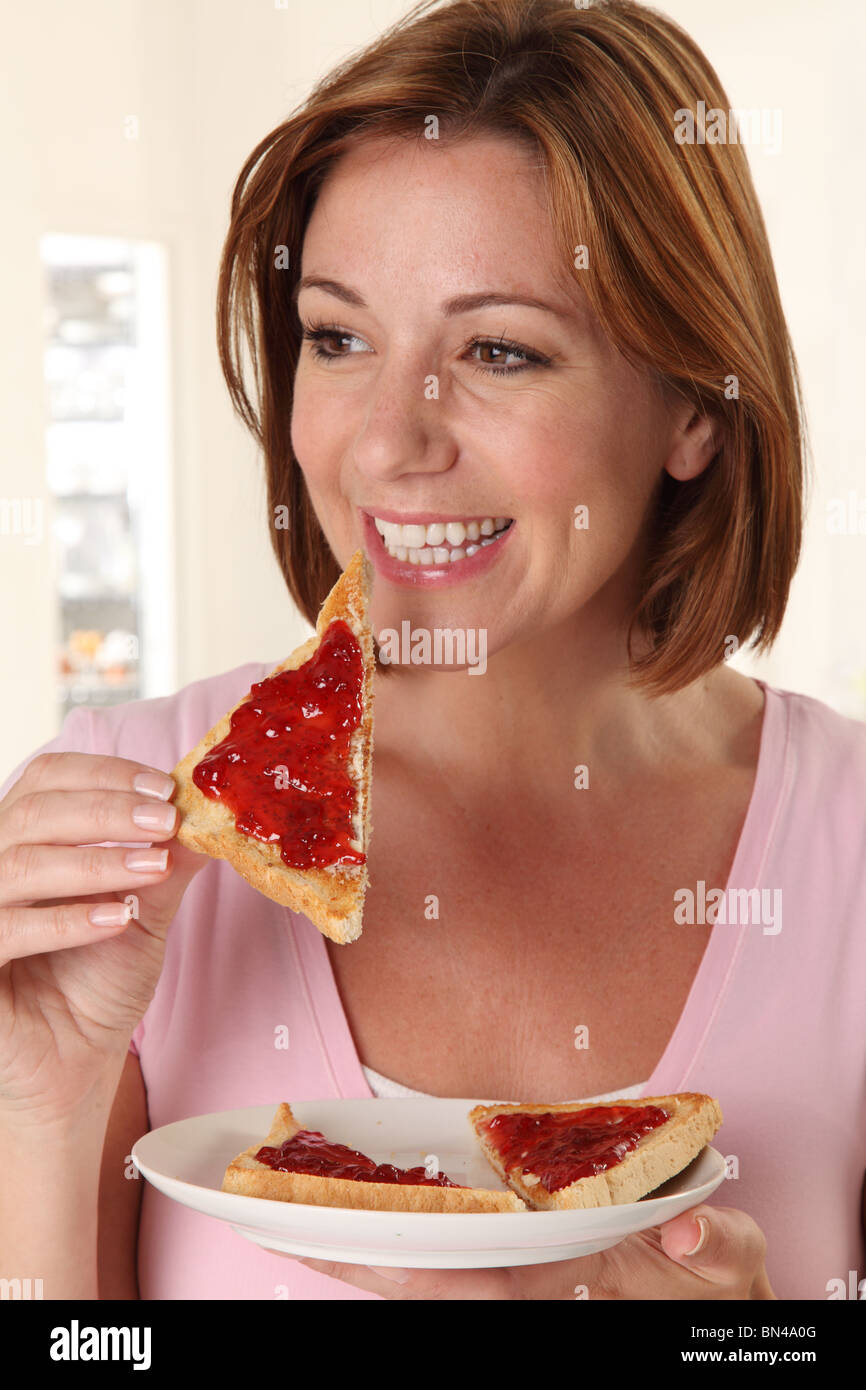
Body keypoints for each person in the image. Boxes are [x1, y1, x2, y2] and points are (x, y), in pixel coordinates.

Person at [1, 0, 863, 1302]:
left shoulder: (848, 843)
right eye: (338, 336)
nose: (387, 445)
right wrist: (41, 1099)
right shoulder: (122, 815)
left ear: (694, 406)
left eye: (497, 350)